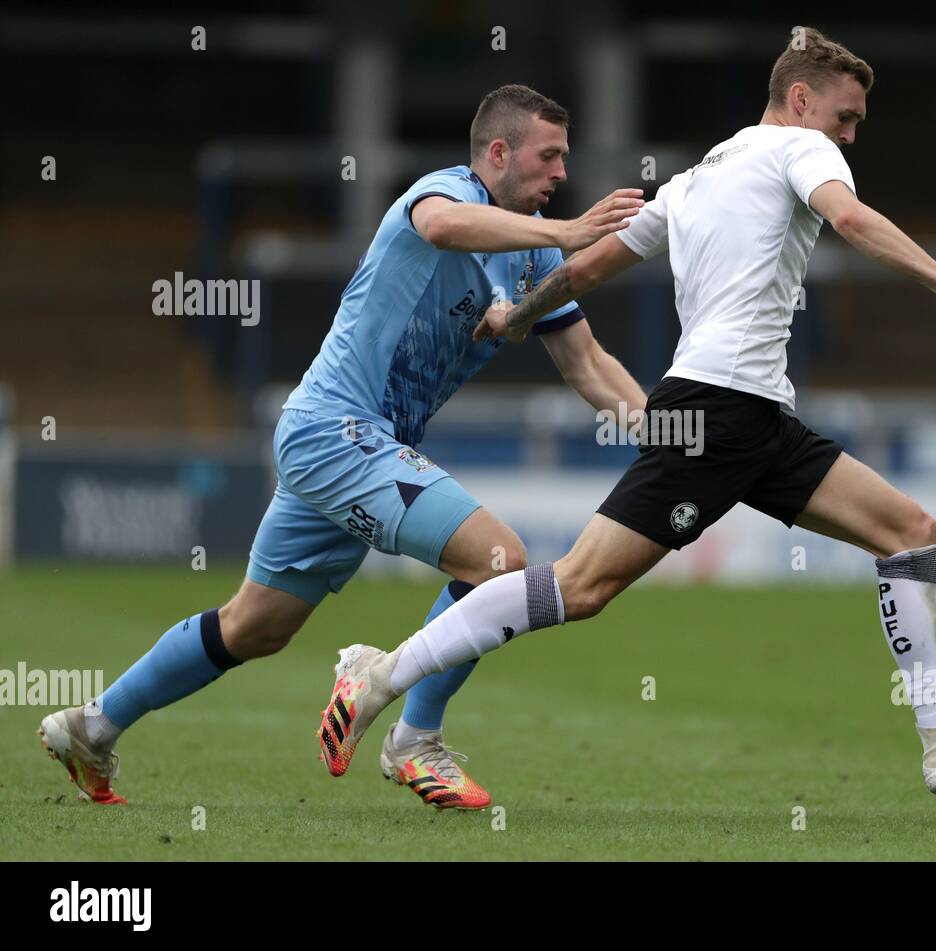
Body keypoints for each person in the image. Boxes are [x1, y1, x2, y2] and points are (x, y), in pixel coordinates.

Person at [316, 30, 936, 802]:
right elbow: (851, 220)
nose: (850, 134)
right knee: (582, 585)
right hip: (720, 408)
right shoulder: (804, 150)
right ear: (800, 101)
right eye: (846, 115)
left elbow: (589, 267)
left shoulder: (699, 175)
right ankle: (379, 676)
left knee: (909, 532)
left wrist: (515, 318)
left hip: (757, 415)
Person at [39, 84, 647, 809]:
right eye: (548, 158)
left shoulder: (529, 256)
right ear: (497, 153)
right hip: (338, 428)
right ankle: (414, 739)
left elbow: (587, 364)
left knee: (254, 626)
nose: (558, 174)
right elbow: (446, 227)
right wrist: (571, 231)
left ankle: (92, 724)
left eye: (564, 160)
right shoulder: (445, 193)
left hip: (341, 442)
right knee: (498, 560)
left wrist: (669, 431)